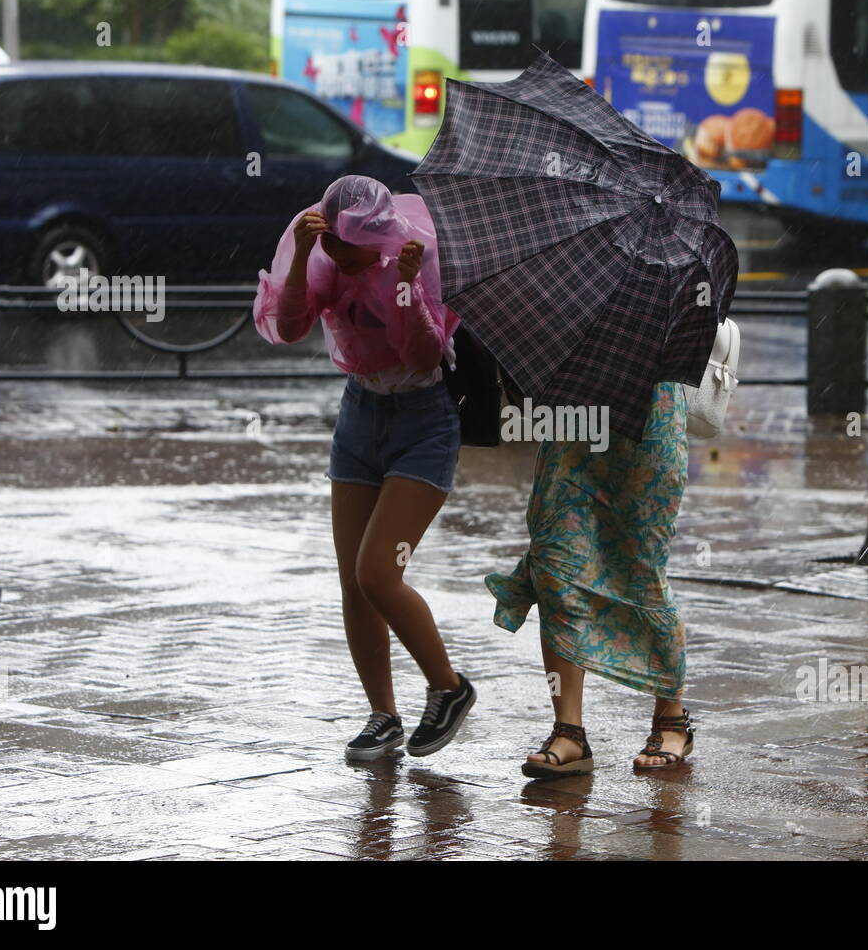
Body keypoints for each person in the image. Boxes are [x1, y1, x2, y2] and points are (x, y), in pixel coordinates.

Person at [254, 175, 475, 761]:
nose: (339, 258)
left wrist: (406, 289)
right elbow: (291, 324)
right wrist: (303, 255)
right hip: (359, 417)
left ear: (374, 238)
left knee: (379, 573)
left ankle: (448, 688)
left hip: (423, 422)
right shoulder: (323, 256)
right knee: (353, 581)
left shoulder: (415, 258)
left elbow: (424, 355)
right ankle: (383, 716)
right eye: (331, 244)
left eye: (346, 249)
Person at [487, 382, 694, 778]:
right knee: (554, 567)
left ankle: (671, 719)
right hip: (571, 427)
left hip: (648, 422)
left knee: (641, 571)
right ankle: (569, 732)